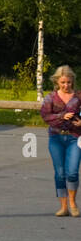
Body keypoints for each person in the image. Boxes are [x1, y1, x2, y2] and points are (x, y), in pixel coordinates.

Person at [41, 65, 81, 217]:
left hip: (75, 137)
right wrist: (61, 116)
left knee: (72, 172)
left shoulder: (78, 97)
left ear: (73, 82)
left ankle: (72, 202)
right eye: (63, 82)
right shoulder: (50, 98)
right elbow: (45, 116)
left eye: (69, 82)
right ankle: (63, 206)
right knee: (60, 173)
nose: (66, 85)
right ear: (57, 81)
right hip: (56, 137)